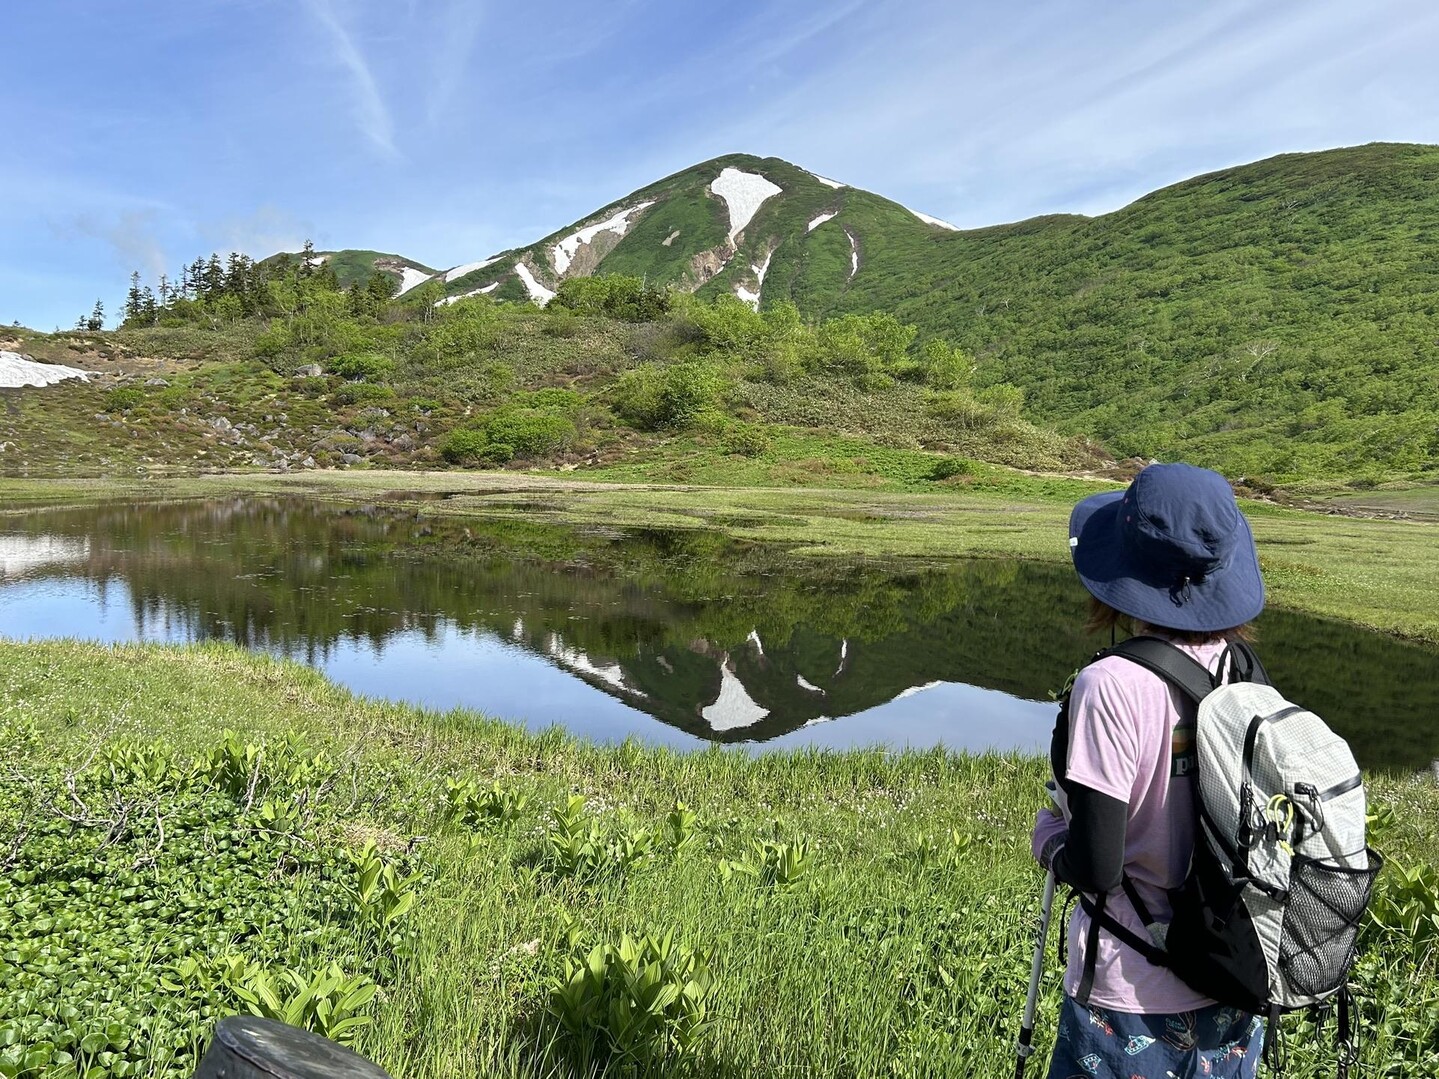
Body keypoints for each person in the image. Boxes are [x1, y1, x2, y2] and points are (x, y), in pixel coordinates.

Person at [1031, 462, 1267, 1079]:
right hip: (1232, 975)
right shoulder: (1242, 670)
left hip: (1127, 996)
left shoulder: (1110, 686)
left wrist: (1050, 842)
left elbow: (1098, 867)